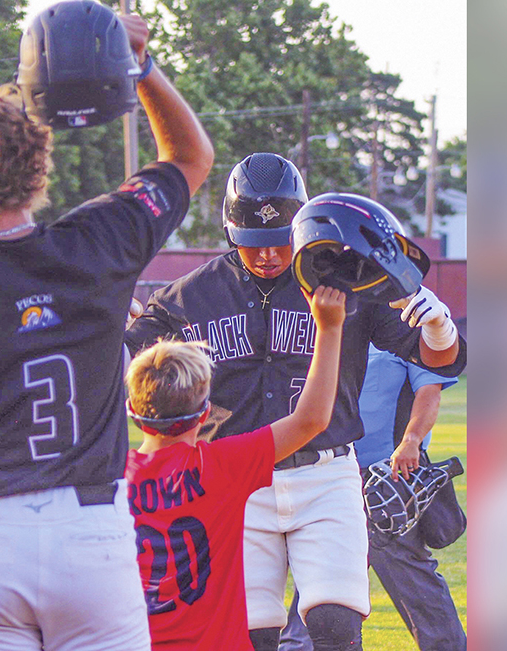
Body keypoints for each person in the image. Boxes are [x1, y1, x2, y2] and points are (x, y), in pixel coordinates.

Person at [0, 2, 214, 649]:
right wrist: (139, 65)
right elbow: (191, 156)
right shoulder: (99, 241)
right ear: (39, 165)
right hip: (89, 533)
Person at [125, 155, 466, 651]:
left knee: (335, 625)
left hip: (325, 473)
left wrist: (439, 325)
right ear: (230, 232)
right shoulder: (189, 297)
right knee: (251, 635)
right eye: (251, 244)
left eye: (279, 241)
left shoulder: (346, 280)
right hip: (233, 482)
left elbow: (440, 359)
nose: (266, 256)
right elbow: (125, 364)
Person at [125, 286, 346, 650]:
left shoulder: (114, 480)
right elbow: (312, 420)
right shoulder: (221, 466)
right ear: (206, 413)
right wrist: (330, 327)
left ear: (133, 413)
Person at [279, 343, 466, 651]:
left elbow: (429, 393)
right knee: (323, 573)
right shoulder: (339, 330)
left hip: (390, 484)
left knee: (411, 579)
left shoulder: (407, 333)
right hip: (335, 474)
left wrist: (412, 441)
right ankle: (294, 646)